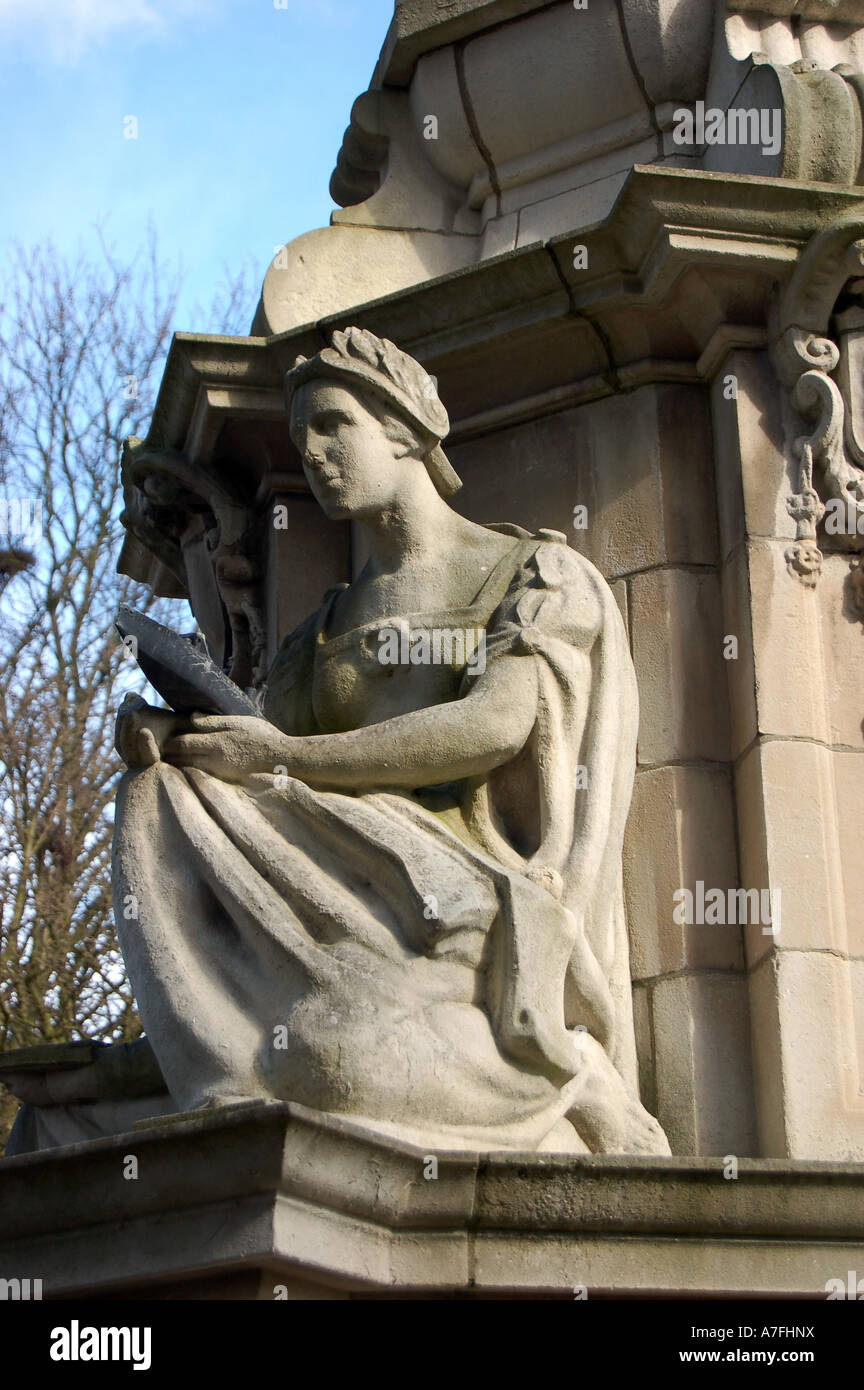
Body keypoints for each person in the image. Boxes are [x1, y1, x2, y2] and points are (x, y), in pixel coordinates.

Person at [113, 327, 670, 1155]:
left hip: (459, 883)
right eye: (303, 440)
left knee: (334, 1059)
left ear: (408, 427)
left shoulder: (531, 577)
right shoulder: (320, 631)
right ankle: (221, 1071)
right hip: (334, 860)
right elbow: (255, 768)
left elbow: (493, 726)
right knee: (159, 787)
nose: (315, 456)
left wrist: (285, 757)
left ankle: (562, 1072)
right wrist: (183, 735)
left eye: (335, 425)